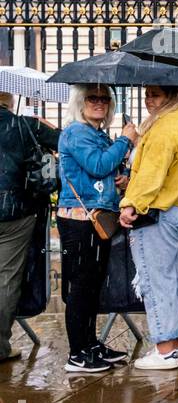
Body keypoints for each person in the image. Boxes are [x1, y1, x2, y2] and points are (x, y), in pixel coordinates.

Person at [119, 85, 178, 370]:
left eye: (156, 94)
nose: (148, 99)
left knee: (157, 280)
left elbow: (152, 173)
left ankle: (165, 349)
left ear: (171, 94)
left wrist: (131, 203)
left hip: (160, 211)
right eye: (147, 94)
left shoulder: (164, 127)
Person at [56, 84, 137, 372]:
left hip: (96, 218)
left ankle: (90, 344)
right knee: (81, 287)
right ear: (81, 101)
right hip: (79, 221)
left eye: (104, 99)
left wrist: (123, 178)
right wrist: (126, 140)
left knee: (92, 286)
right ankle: (77, 353)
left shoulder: (97, 134)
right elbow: (98, 165)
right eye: (93, 98)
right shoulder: (77, 132)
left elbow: (107, 172)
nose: (99, 103)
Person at [0, 92, 60, 362]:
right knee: (7, 279)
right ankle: (0, 345)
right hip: (15, 212)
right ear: (9, 98)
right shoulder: (24, 124)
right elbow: (64, 142)